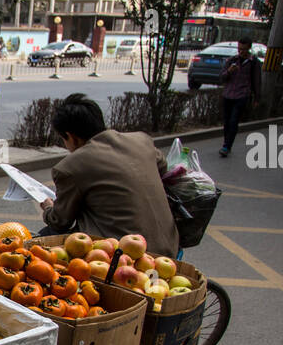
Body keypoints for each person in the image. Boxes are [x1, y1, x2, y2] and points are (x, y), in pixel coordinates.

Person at [37, 94, 179, 257]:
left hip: (124, 254)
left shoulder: (71, 166)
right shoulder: (141, 140)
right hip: (170, 245)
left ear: (70, 136)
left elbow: (60, 221)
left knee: (41, 247)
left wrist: (48, 207)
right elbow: (162, 168)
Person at [219, 38, 261, 157]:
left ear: (249, 48)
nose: (241, 51)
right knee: (227, 121)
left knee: (234, 121)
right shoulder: (232, 61)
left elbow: (257, 81)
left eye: (243, 49)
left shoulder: (254, 63)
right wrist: (229, 71)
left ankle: (227, 146)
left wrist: (257, 98)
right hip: (228, 94)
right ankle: (226, 142)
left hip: (242, 95)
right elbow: (222, 78)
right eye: (239, 49)